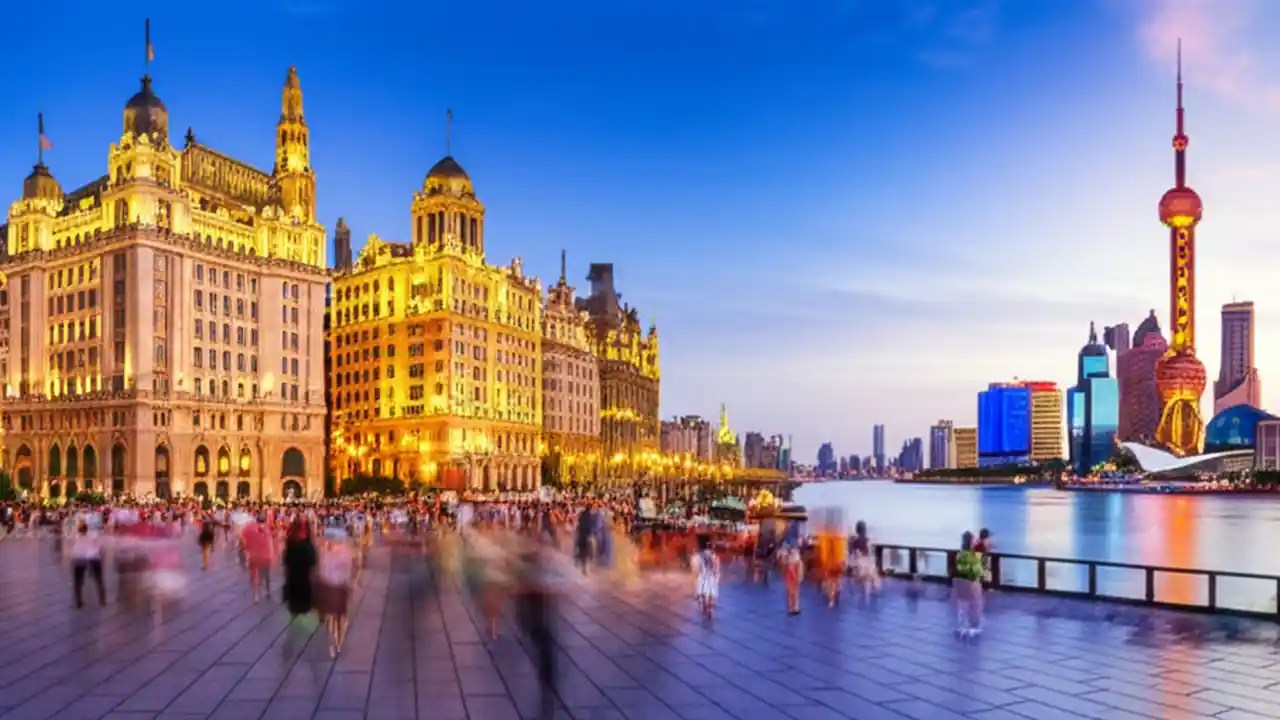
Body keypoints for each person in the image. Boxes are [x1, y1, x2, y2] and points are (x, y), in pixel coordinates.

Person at [316, 527, 355, 657]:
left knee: (335, 617)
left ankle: (335, 642)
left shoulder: (333, 553)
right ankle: (336, 642)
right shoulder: (342, 552)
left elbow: (323, 570)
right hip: (337, 587)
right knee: (338, 616)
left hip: (333, 587)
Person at [283, 518, 317, 617]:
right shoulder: (307, 543)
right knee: (304, 586)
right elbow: (313, 560)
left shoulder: (290, 541)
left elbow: (286, 559)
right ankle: (304, 607)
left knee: (294, 586)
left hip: (293, 574)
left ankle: (294, 607)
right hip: (304, 574)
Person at [954, 531, 985, 637]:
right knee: (975, 604)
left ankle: (962, 626)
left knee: (962, 604)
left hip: (959, 582)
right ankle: (974, 627)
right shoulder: (973, 556)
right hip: (971, 582)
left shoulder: (959, 554)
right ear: (971, 542)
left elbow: (959, 568)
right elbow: (978, 571)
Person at [70, 521, 106, 608]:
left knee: (78, 581)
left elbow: (73, 550)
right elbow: (100, 548)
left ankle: (78, 601)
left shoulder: (75, 537)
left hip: (79, 559)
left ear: (78, 530)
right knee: (98, 580)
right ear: (87, 529)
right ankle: (102, 600)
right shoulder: (93, 536)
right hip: (94, 558)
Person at [241, 519, 276, 603]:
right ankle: (265, 591)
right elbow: (270, 544)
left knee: (258, 576)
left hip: (257, 556)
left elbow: (246, 543)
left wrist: (247, 557)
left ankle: (257, 595)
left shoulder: (252, 529)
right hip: (263, 557)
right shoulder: (266, 531)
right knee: (264, 574)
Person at [695, 535, 721, 620]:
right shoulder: (714, 556)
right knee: (711, 592)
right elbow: (716, 566)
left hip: (703, 575)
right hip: (711, 576)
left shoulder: (701, 555)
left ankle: (705, 606)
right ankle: (709, 608)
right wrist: (717, 574)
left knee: (703, 591)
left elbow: (698, 566)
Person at [781, 544, 803, 616]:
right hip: (793, 567)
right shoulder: (791, 551)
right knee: (793, 589)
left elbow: (784, 563)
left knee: (792, 590)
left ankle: (793, 607)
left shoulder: (787, 549)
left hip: (793, 567)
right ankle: (794, 607)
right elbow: (789, 565)